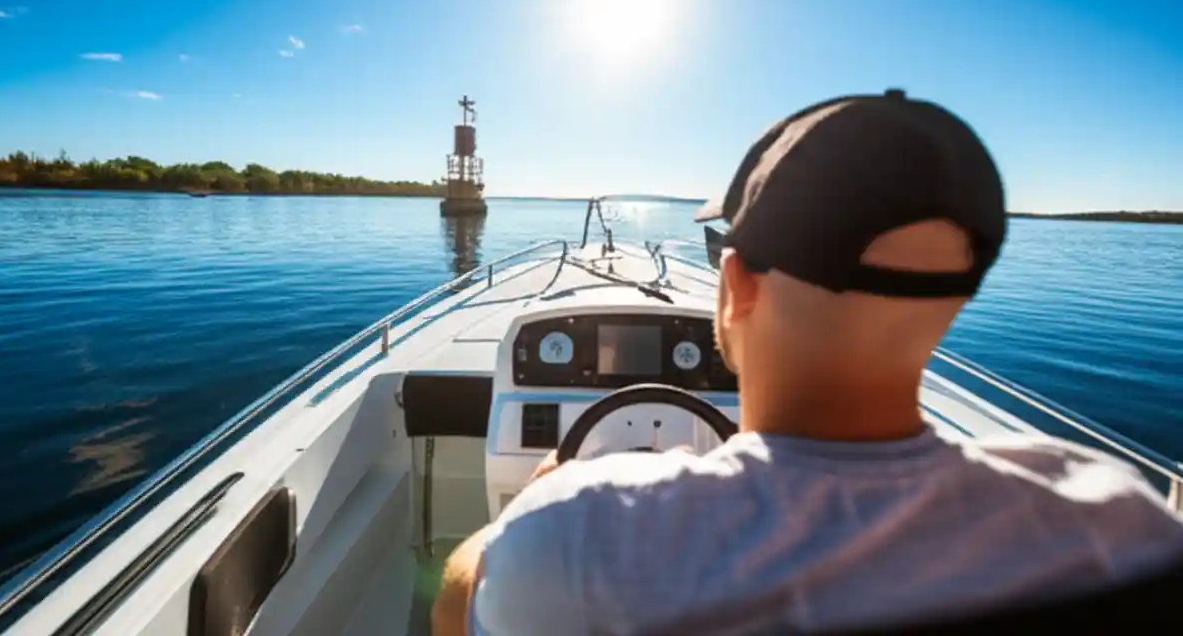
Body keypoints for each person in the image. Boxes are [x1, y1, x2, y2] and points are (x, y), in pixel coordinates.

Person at [432, 90, 1183, 635]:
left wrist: (529, 506)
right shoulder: (1118, 526)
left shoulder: (570, 533)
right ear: (960, 295)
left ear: (735, 283)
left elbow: (459, 604)